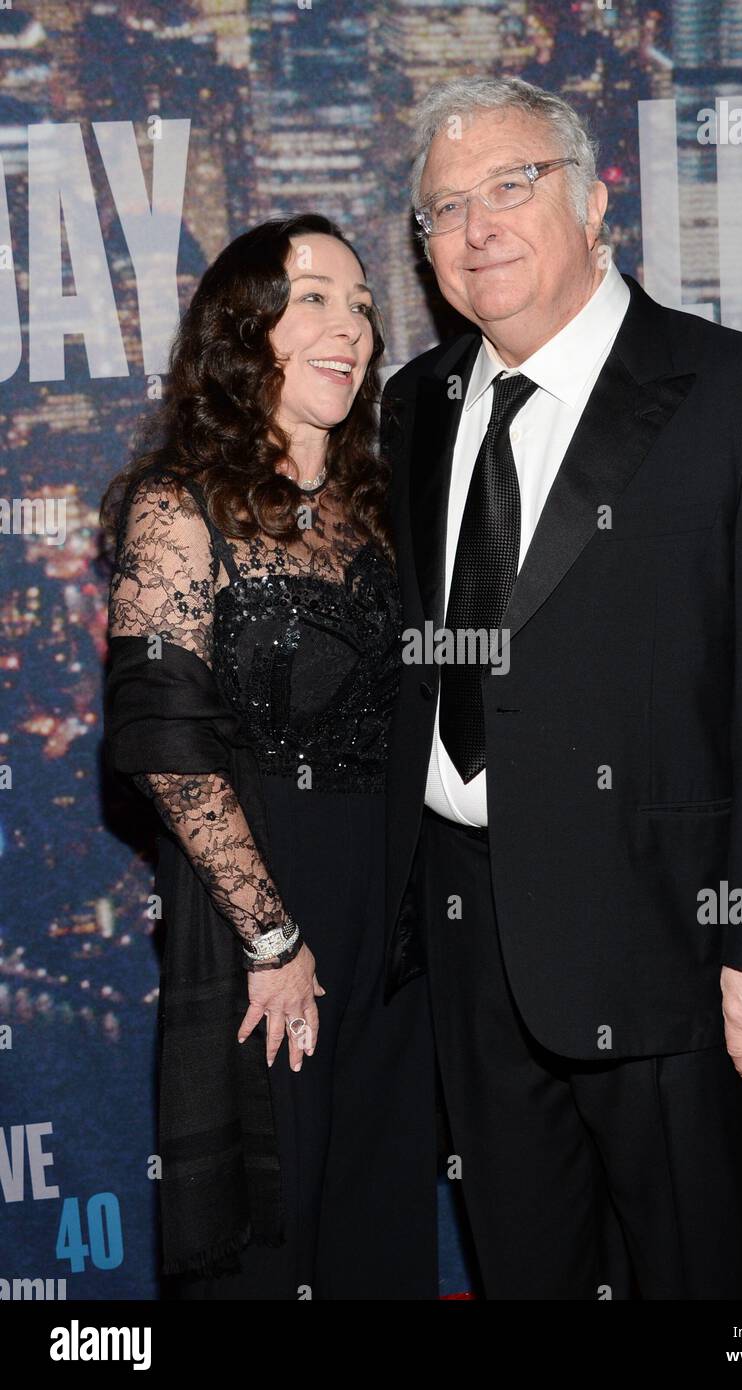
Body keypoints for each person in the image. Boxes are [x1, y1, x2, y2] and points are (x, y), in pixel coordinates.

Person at [380, 76, 742, 1300]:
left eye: (509, 184)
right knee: (522, 1266)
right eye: (442, 208)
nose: (475, 225)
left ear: (594, 201)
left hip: (669, 942)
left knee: (693, 1270)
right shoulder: (416, 410)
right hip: (466, 931)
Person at [101, 213, 436, 1300]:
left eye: (364, 305)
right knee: (273, 1234)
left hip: (387, 918)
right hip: (262, 919)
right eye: (314, 299)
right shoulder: (177, 503)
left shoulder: (380, 506)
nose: (351, 327)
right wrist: (271, 934)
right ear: (245, 330)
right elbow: (163, 744)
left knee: (372, 1220)